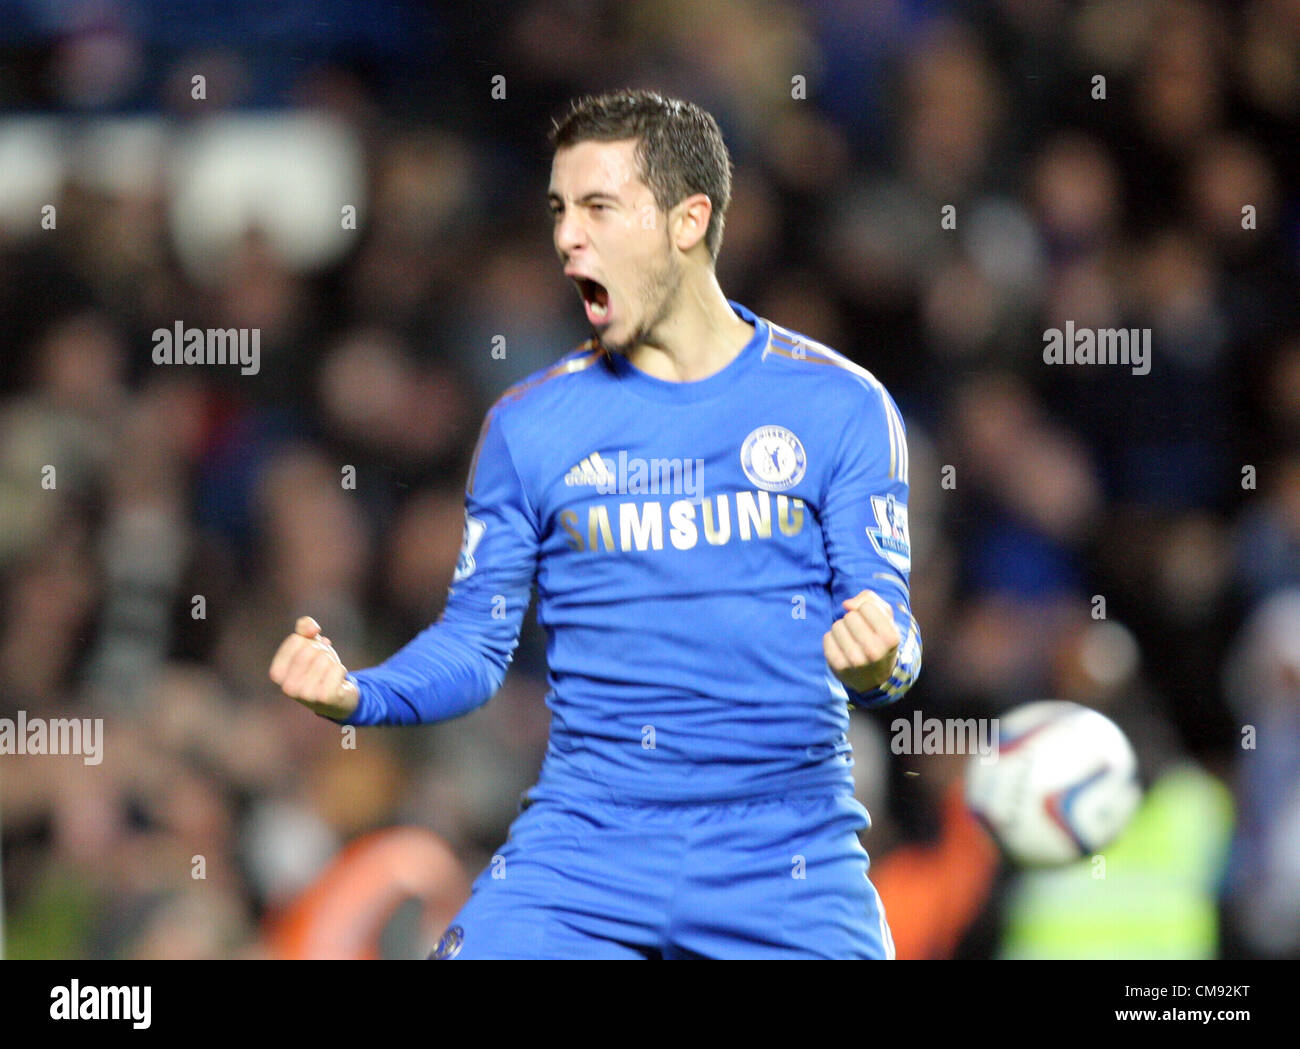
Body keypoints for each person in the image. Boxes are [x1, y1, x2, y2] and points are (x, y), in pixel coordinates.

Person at [269, 89, 921, 959]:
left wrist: (881, 660)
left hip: (784, 857)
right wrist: (362, 691)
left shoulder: (839, 406)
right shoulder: (531, 427)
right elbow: (475, 645)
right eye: (559, 210)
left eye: (599, 208)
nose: (567, 237)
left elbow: (891, 639)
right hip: (585, 856)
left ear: (690, 221)